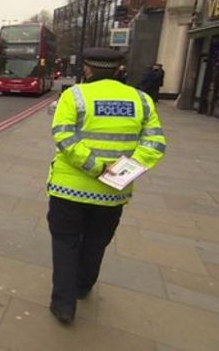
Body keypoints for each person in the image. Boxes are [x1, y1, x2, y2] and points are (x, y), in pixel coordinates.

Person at [47, 47, 166, 324]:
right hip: (113, 193)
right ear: (118, 70)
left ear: (87, 69)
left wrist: (95, 167)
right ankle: (83, 286)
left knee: (65, 243)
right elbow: (154, 144)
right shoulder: (142, 100)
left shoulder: (74, 95)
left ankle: (63, 305)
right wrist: (120, 172)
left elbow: (64, 137)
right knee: (97, 241)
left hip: (68, 190)